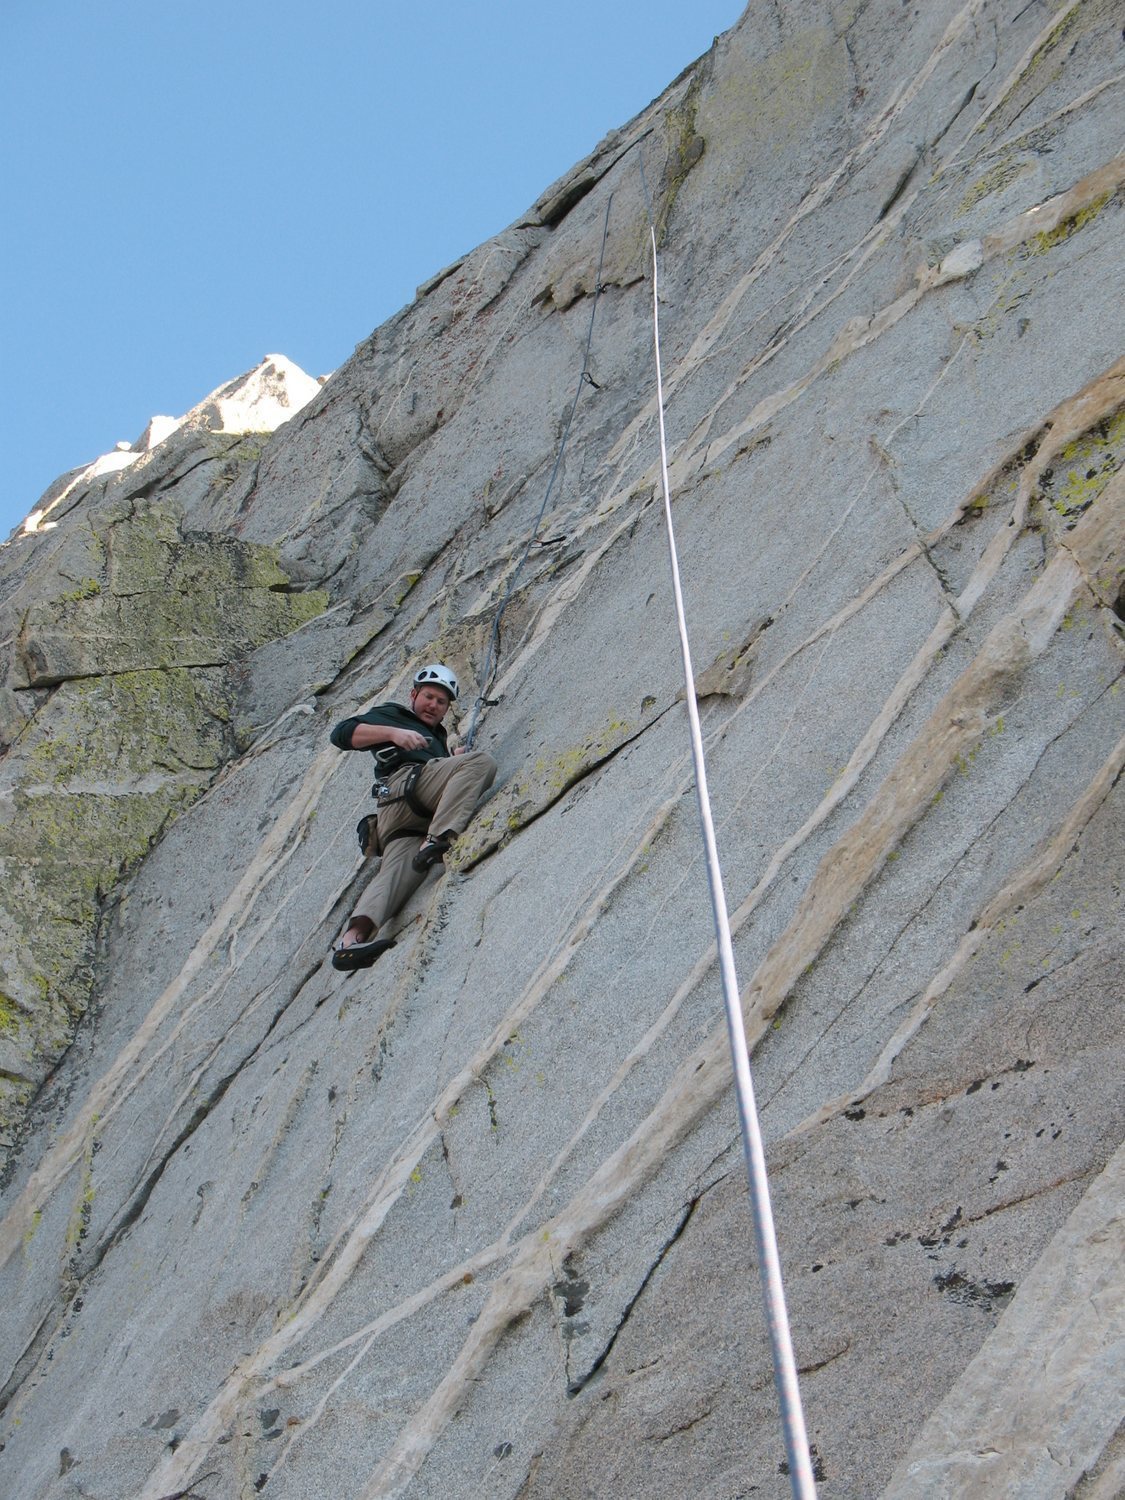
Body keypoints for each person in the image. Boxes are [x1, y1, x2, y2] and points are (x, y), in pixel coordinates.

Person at [329, 663, 497, 970]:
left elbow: (443, 773)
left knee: (392, 876)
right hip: (406, 787)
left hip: (402, 820)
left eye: (441, 701)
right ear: (413, 694)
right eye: (428, 696)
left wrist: (449, 761)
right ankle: (437, 840)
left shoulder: (437, 738)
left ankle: (350, 942)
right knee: (481, 763)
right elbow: (341, 733)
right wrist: (394, 732)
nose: (433, 704)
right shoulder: (396, 716)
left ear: (447, 709)